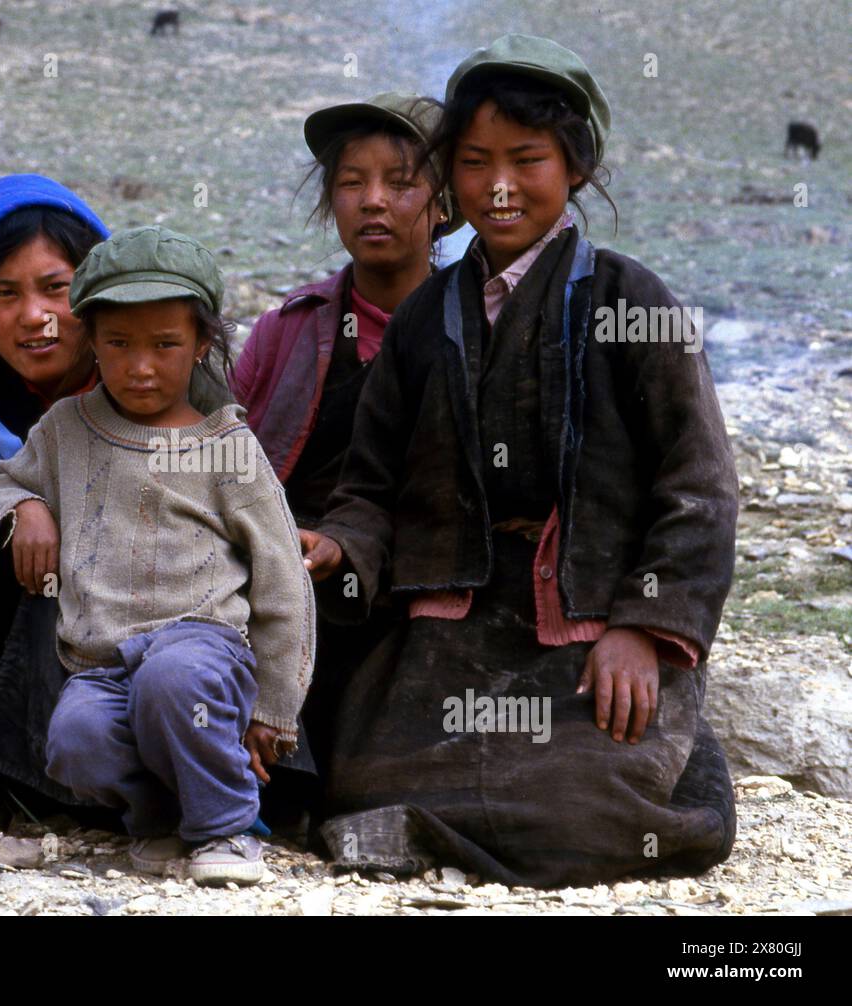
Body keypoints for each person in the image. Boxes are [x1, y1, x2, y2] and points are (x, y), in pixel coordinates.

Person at [299, 35, 739, 887]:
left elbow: (699, 488)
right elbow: (371, 486)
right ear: (450, 182)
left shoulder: (632, 301)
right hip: (455, 626)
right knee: (359, 787)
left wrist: (644, 630)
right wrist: (340, 545)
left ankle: (477, 835)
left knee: (593, 800)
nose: (500, 185)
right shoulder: (428, 319)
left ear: (576, 166)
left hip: (590, 622)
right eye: (473, 162)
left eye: (527, 159)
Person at [0, 176, 229, 836]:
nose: (35, 315)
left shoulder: (182, 395)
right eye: (6, 294)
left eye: (55, 288)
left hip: (144, 674)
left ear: (93, 296)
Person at [0, 226, 315, 885]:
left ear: (202, 343)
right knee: (75, 741)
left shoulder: (227, 445)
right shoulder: (68, 428)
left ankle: (228, 826)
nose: (141, 366)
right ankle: (163, 818)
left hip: (206, 654)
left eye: (165, 345)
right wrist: (25, 507)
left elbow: (283, 579)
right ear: (91, 339)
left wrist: (274, 706)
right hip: (103, 662)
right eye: (119, 345)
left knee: (172, 682)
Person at [229, 92, 458, 813]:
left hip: (410, 584)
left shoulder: (473, 334)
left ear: (444, 202)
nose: (373, 201)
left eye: (401, 181)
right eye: (352, 182)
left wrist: (350, 546)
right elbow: (219, 452)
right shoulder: (285, 330)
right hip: (281, 571)